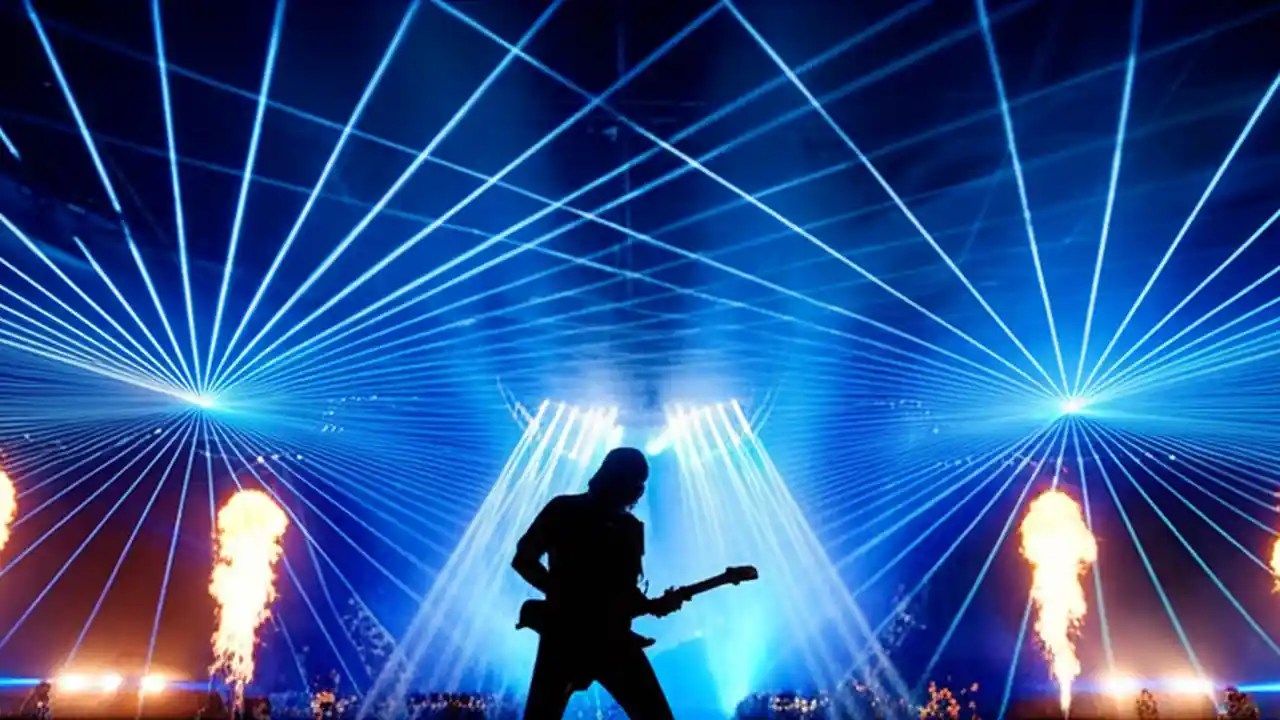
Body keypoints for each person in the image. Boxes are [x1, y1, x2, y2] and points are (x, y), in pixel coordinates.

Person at [513, 447, 682, 720]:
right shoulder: (563, 510)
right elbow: (523, 559)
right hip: (572, 637)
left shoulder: (629, 527)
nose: (639, 491)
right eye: (635, 483)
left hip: (597, 637)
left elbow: (625, 591)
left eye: (641, 485)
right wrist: (565, 597)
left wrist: (653, 605)